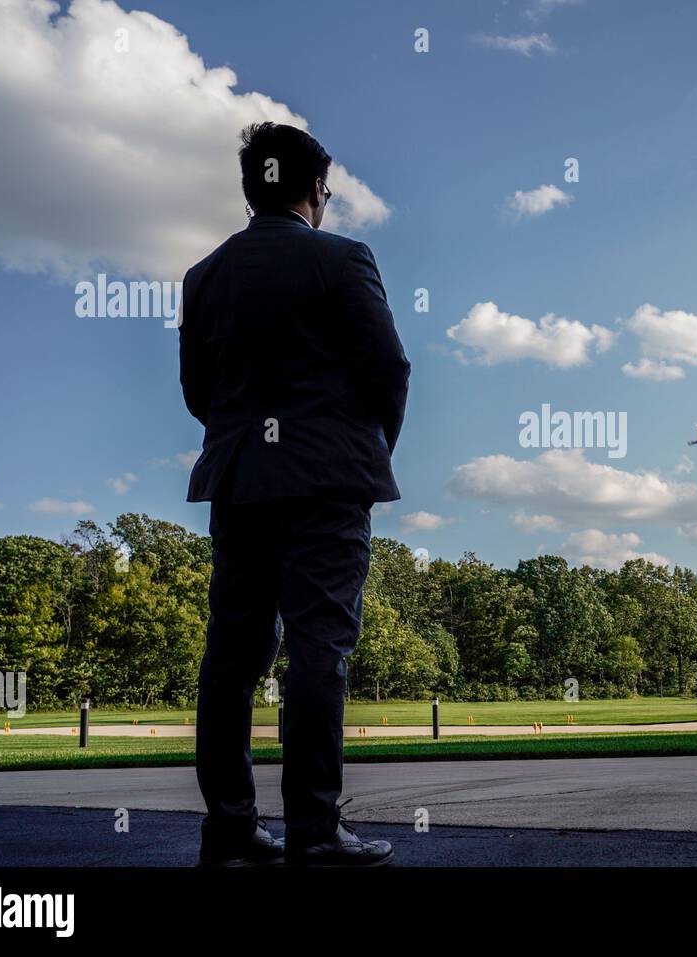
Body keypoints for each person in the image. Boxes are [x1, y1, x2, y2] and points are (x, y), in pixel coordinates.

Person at [179, 122, 409, 867]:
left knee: (233, 656)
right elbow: (390, 371)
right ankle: (313, 829)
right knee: (319, 649)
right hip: (326, 483)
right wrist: (363, 453)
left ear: (253, 191)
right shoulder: (345, 260)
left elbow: (196, 393)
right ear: (316, 190)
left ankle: (230, 829)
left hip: (241, 481)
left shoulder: (204, 275)